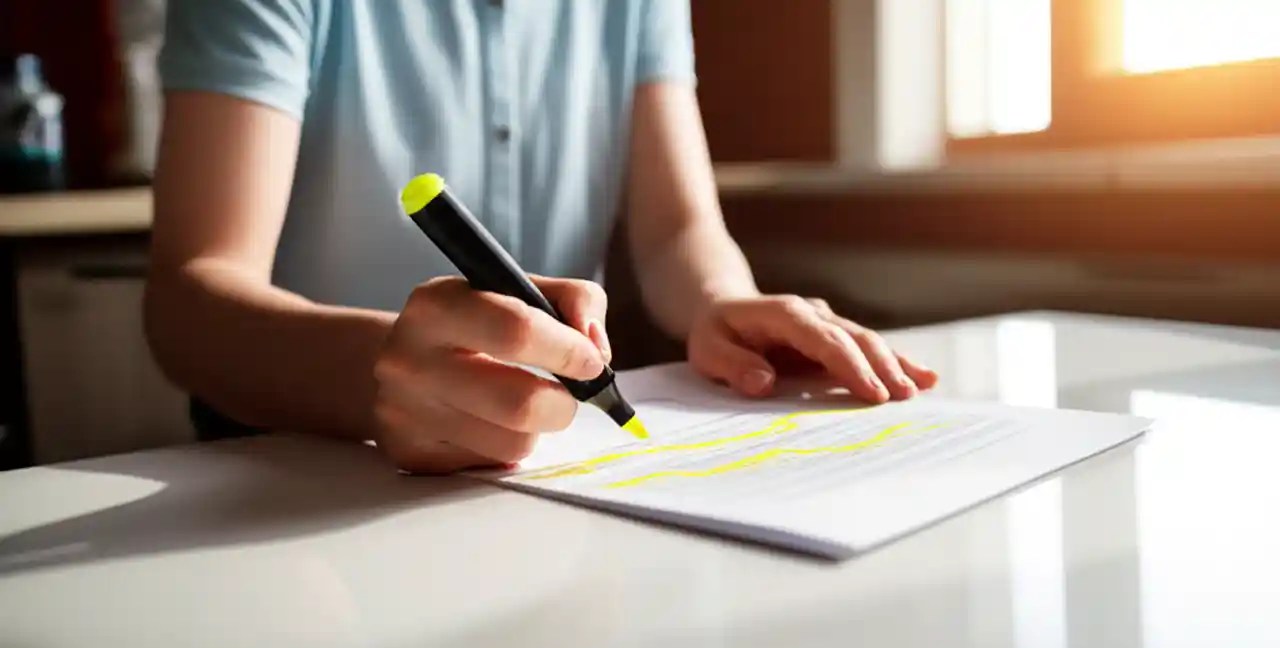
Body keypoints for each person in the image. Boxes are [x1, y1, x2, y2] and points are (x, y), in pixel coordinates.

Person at [145, 0, 938, 474]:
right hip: (287, 475)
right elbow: (190, 299)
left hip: (543, 468)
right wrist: (376, 372)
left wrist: (723, 301)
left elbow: (677, 233)